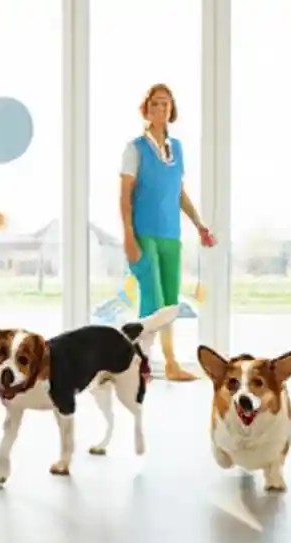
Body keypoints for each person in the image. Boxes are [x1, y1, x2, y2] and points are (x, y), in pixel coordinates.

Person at [120, 83, 216, 382]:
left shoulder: (177, 150)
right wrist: (128, 235)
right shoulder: (134, 149)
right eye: (156, 104)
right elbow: (124, 196)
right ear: (146, 109)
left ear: (171, 110)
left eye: (166, 104)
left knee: (170, 304)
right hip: (143, 233)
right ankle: (142, 364)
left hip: (170, 235)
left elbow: (178, 192)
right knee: (153, 300)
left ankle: (170, 363)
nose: (161, 109)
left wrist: (199, 224)